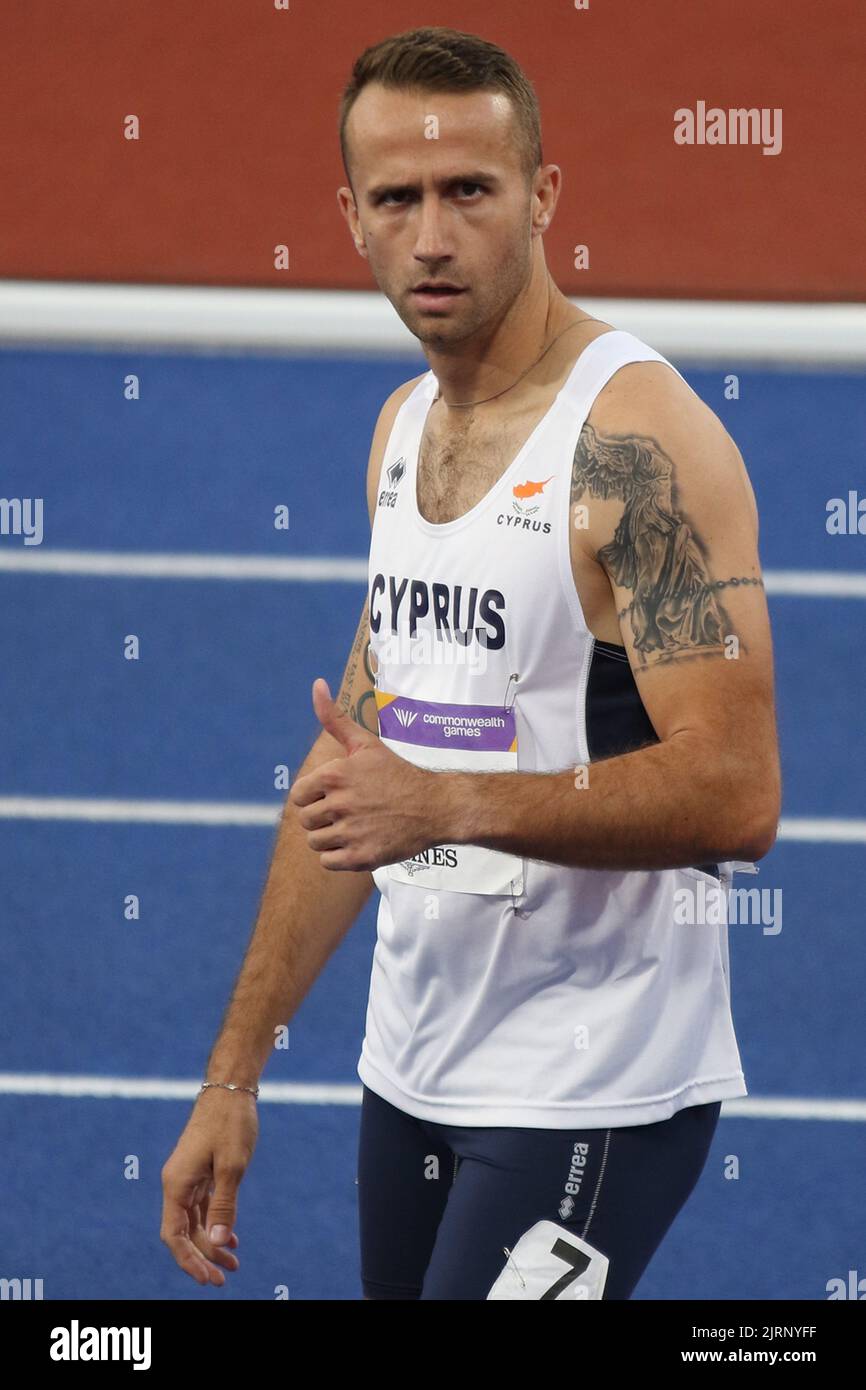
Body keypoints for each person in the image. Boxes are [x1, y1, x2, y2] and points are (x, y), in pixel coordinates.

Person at [161, 26, 781, 1300]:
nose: (432, 237)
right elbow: (352, 781)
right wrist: (234, 1073)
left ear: (542, 197)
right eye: (397, 199)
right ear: (349, 217)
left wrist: (443, 806)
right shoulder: (401, 432)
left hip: (597, 1081)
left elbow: (736, 793)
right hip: (415, 1063)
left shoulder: (634, 446)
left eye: (469, 193)